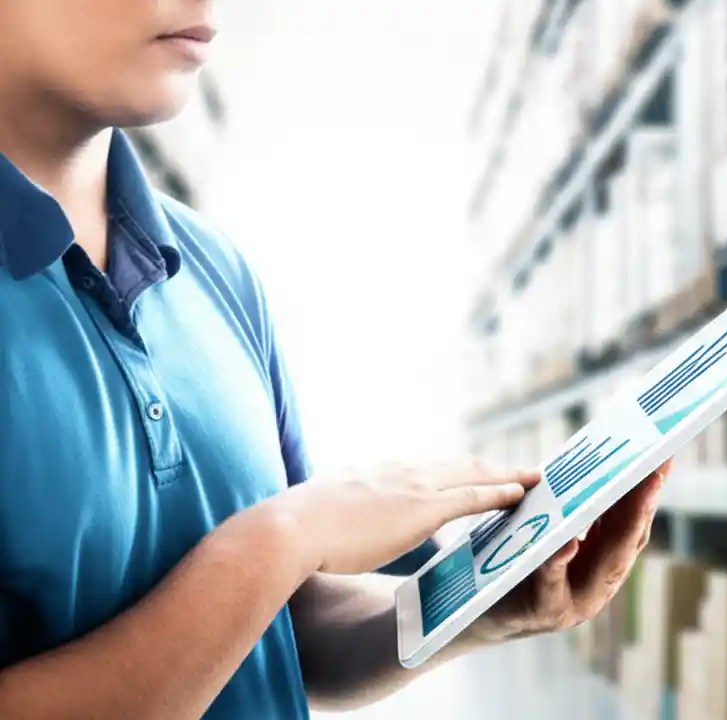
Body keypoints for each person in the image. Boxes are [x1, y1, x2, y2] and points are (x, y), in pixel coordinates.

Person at [0, 1, 670, 717]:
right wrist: (288, 535)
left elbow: (282, 625)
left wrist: (470, 604)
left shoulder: (214, 270)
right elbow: (274, 562)